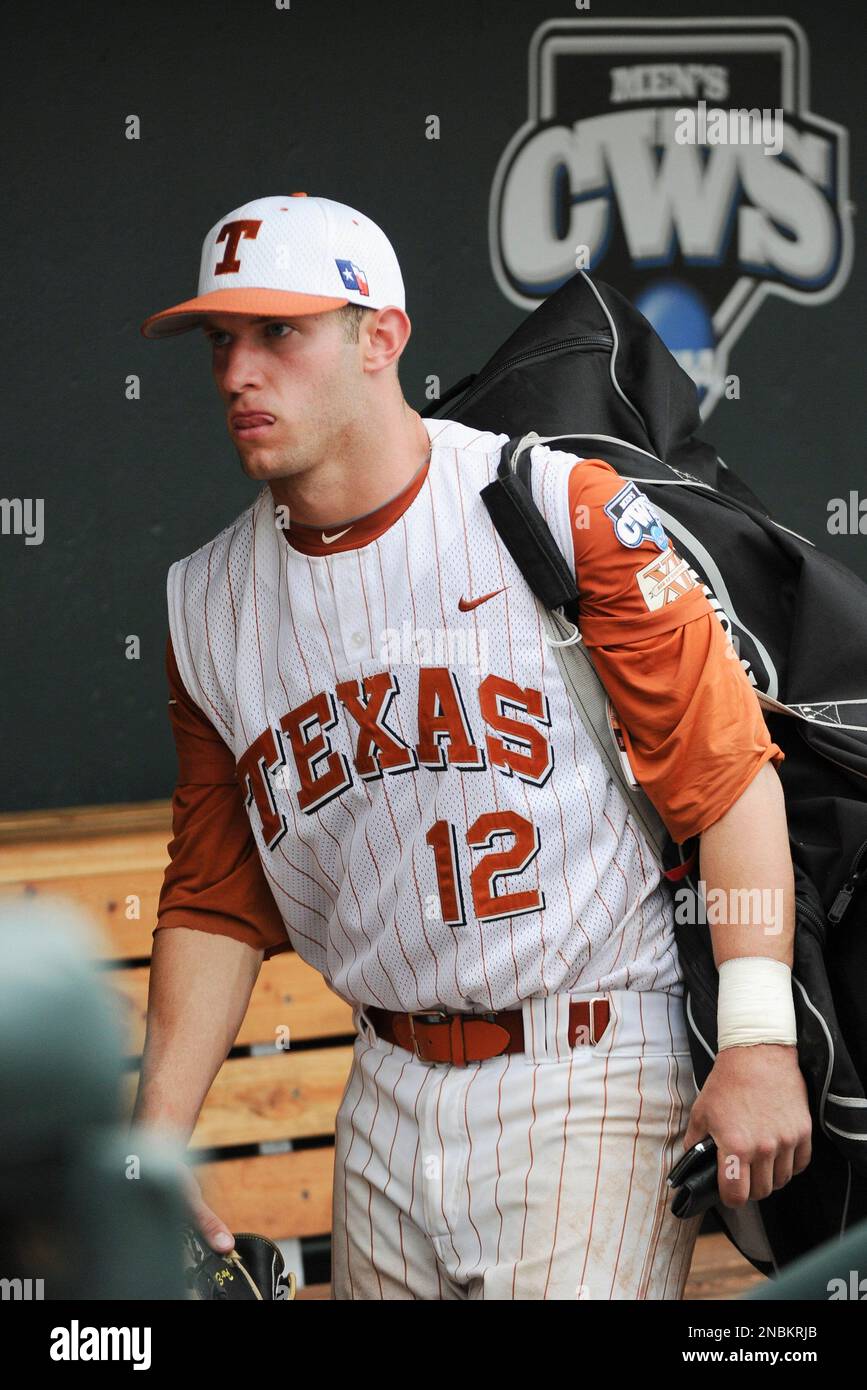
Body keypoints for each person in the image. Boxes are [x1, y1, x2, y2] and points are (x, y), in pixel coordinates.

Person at [133, 194, 811, 1300]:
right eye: (222, 341)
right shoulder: (207, 603)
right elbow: (217, 894)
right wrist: (153, 1140)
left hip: (588, 1064)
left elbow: (726, 781)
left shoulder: (551, 503)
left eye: (280, 333)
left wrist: (757, 1042)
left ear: (379, 338)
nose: (238, 373)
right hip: (385, 1088)